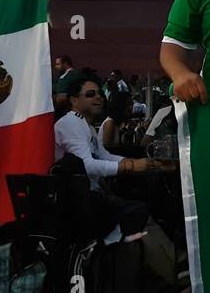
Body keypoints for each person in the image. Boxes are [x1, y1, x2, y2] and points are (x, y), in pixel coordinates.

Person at [54, 75, 155, 243]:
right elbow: (86, 165)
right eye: (90, 94)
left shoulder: (85, 125)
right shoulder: (70, 123)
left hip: (91, 197)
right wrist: (128, 166)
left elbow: (103, 155)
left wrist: (131, 162)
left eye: (100, 93)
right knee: (139, 209)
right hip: (79, 203)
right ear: (73, 100)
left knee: (141, 209)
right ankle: (110, 249)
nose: (98, 97)